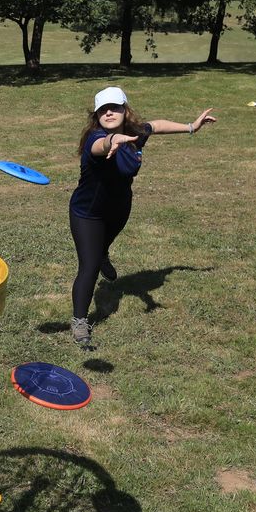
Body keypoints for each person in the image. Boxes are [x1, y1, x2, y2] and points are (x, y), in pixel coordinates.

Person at [68, 87, 216, 347]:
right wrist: (112, 142)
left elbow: (156, 126)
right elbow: (100, 147)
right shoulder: (95, 138)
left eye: (115, 107)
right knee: (89, 267)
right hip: (87, 214)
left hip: (120, 209)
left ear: (126, 110)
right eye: (103, 109)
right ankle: (80, 321)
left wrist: (192, 126)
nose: (109, 112)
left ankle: (103, 251)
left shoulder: (135, 132)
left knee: (102, 247)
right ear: (97, 115)